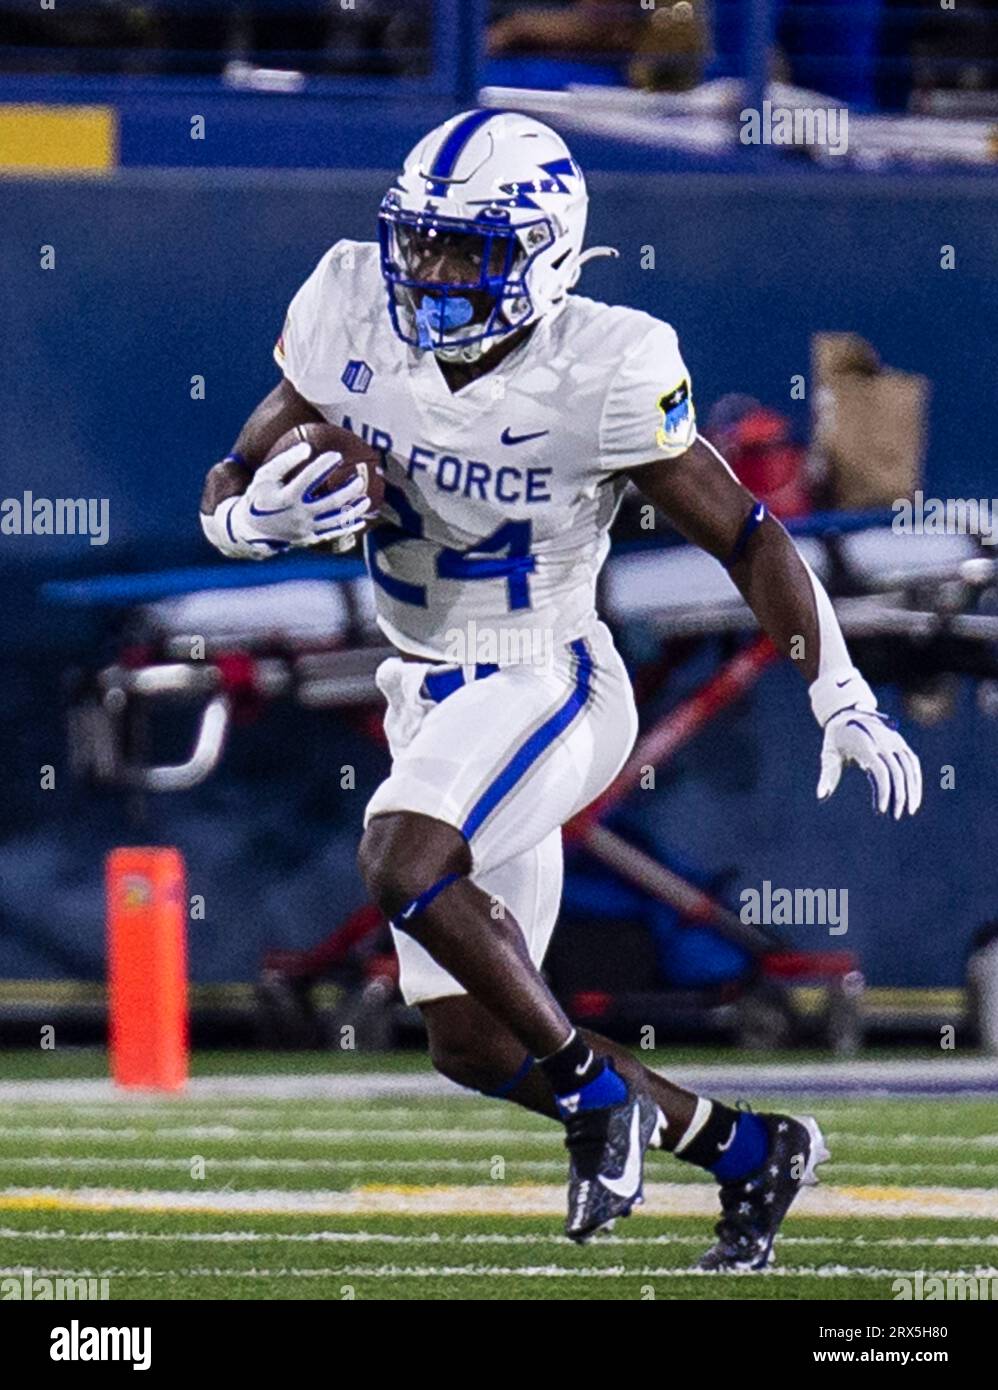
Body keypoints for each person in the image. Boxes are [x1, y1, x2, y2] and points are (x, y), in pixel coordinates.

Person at [199, 109, 922, 1265]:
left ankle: (596, 1099)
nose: (430, 274)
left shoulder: (607, 363)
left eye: (465, 250)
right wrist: (244, 518)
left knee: (400, 857)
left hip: (551, 679)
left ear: (542, 249)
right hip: (424, 688)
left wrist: (836, 687)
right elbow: (237, 465)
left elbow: (746, 536)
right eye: (419, 242)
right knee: (474, 1044)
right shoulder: (345, 303)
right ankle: (745, 1150)